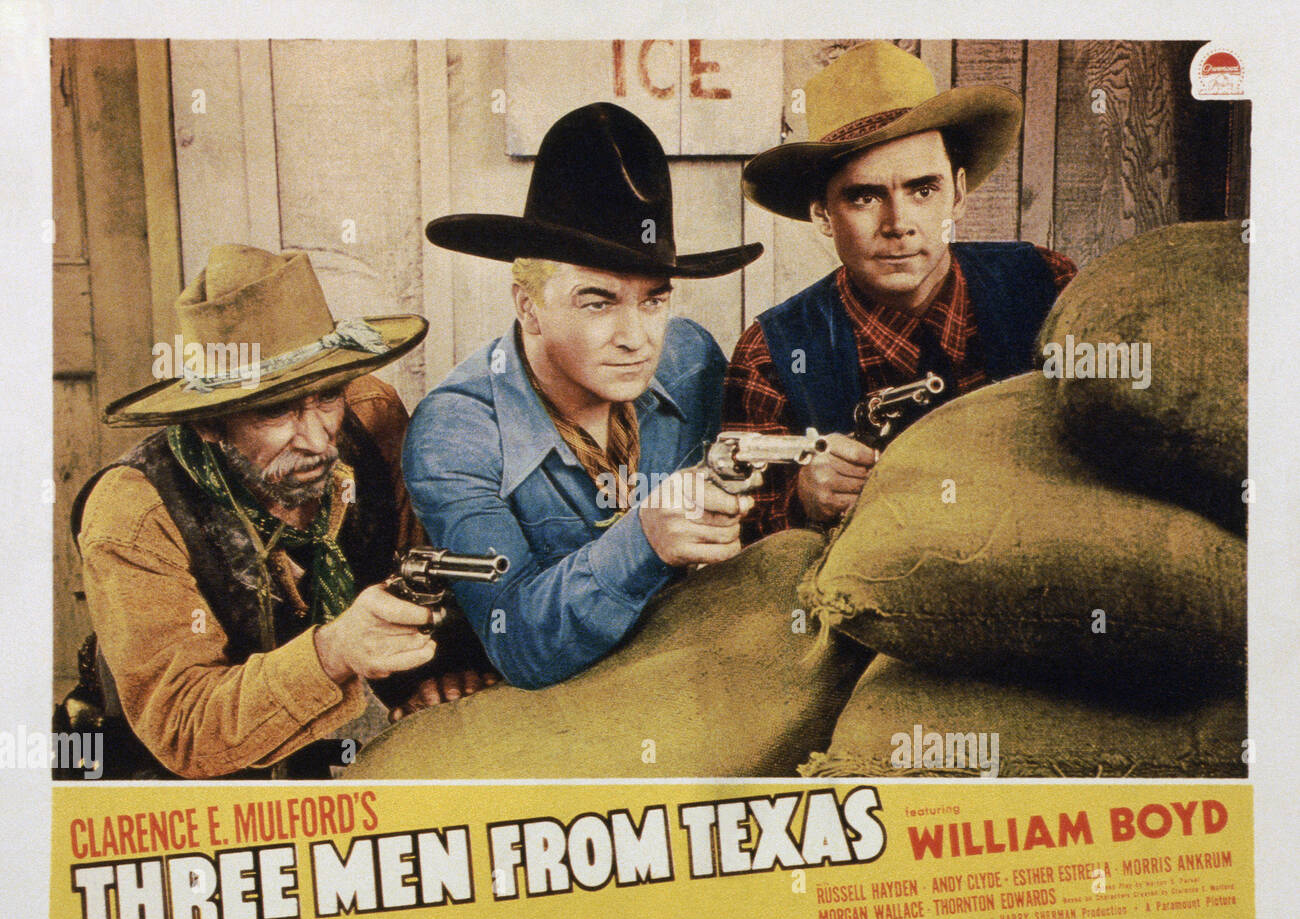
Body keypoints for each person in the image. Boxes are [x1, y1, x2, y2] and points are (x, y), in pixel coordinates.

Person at [71, 244, 492, 779]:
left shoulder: (370, 415)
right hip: (180, 784)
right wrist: (334, 652)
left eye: (325, 398)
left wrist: (436, 672)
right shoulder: (134, 512)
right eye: (276, 411)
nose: (319, 441)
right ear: (208, 422)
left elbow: (417, 560)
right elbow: (185, 728)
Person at [405, 102, 763, 689]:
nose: (636, 339)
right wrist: (645, 539)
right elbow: (514, 642)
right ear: (528, 306)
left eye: (653, 300)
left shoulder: (691, 358)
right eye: (597, 302)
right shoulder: (454, 432)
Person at [727, 41, 1079, 542]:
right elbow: (733, 539)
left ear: (957, 194)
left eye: (922, 190)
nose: (898, 225)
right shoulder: (770, 352)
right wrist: (800, 500)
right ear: (822, 215)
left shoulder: (1049, 286)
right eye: (865, 196)